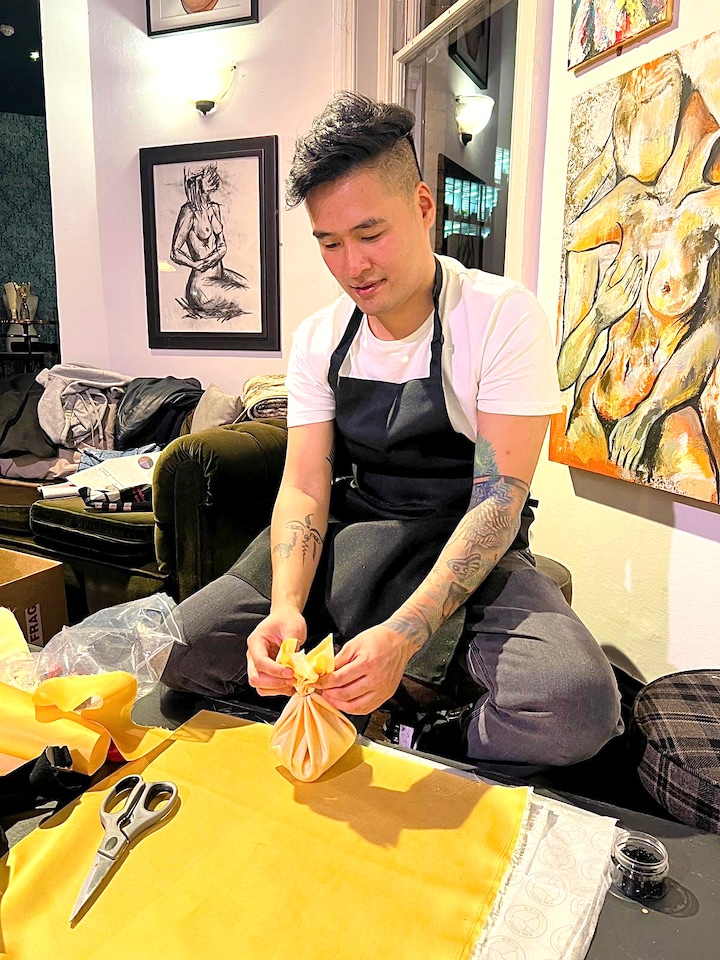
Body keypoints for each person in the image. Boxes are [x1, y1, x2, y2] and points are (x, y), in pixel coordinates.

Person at [162, 92, 622, 770]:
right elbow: (305, 483)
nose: (353, 266)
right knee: (174, 650)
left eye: (370, 234)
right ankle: (322, 708)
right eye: (330, 243)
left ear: (424, 207)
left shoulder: (500, 316)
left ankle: (418, 736)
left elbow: (499, 499)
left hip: (460, 532)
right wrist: (285, 608)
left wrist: (405, 636)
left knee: (576, 708)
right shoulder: (319, 338)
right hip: (352, 531)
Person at [170, 163, 250, 321]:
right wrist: (195, 264)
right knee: (247, 297)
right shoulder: (189, 212)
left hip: (220, 274)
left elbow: (222, 245)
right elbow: (175, 252)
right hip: (202, 285)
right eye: (209, 175)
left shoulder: (214, 208)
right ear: (197, 182)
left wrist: (214, 257)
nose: (215, 178)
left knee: (251, 287)